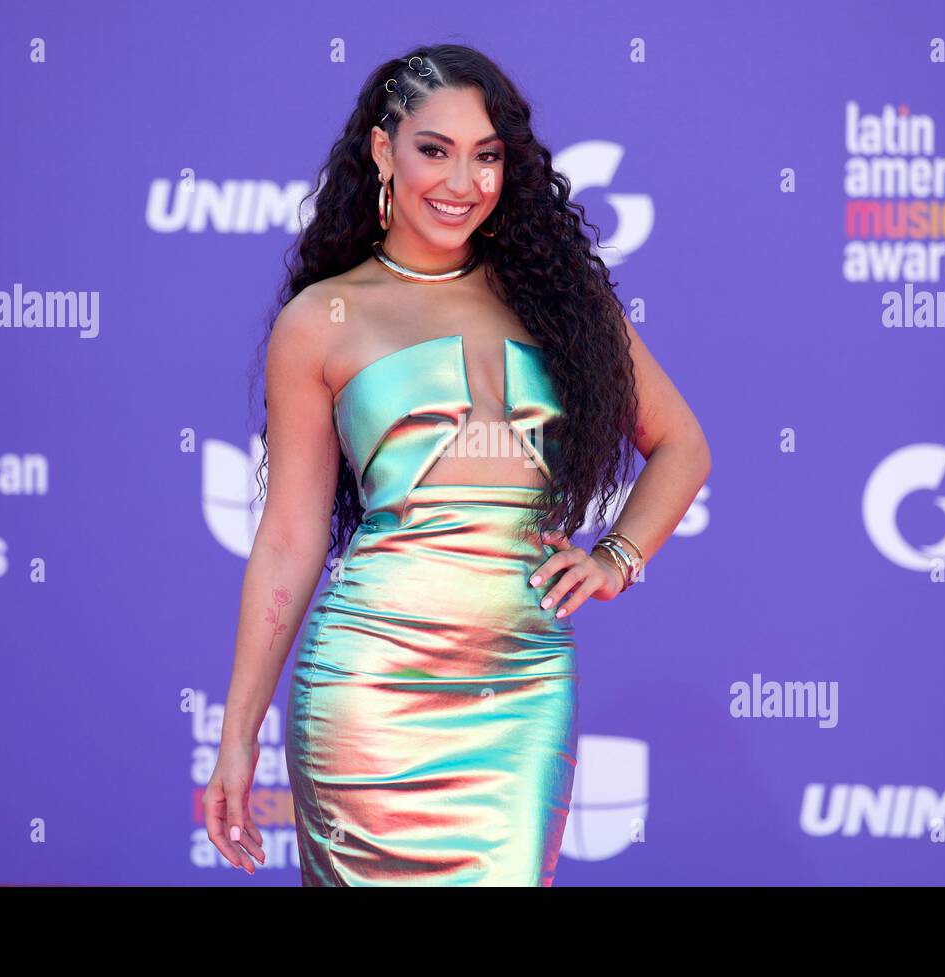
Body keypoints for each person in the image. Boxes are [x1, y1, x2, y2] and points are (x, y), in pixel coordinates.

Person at [204, 44, 711, 885]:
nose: (461, 181)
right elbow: (290, 539)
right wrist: (236, 736)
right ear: (382, 152)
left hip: (521, 687)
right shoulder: (321, 320)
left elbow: (682, 443)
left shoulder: (561, 302)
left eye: (486, 156)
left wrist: (617, 558)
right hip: (367, 692)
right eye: (433, 149)